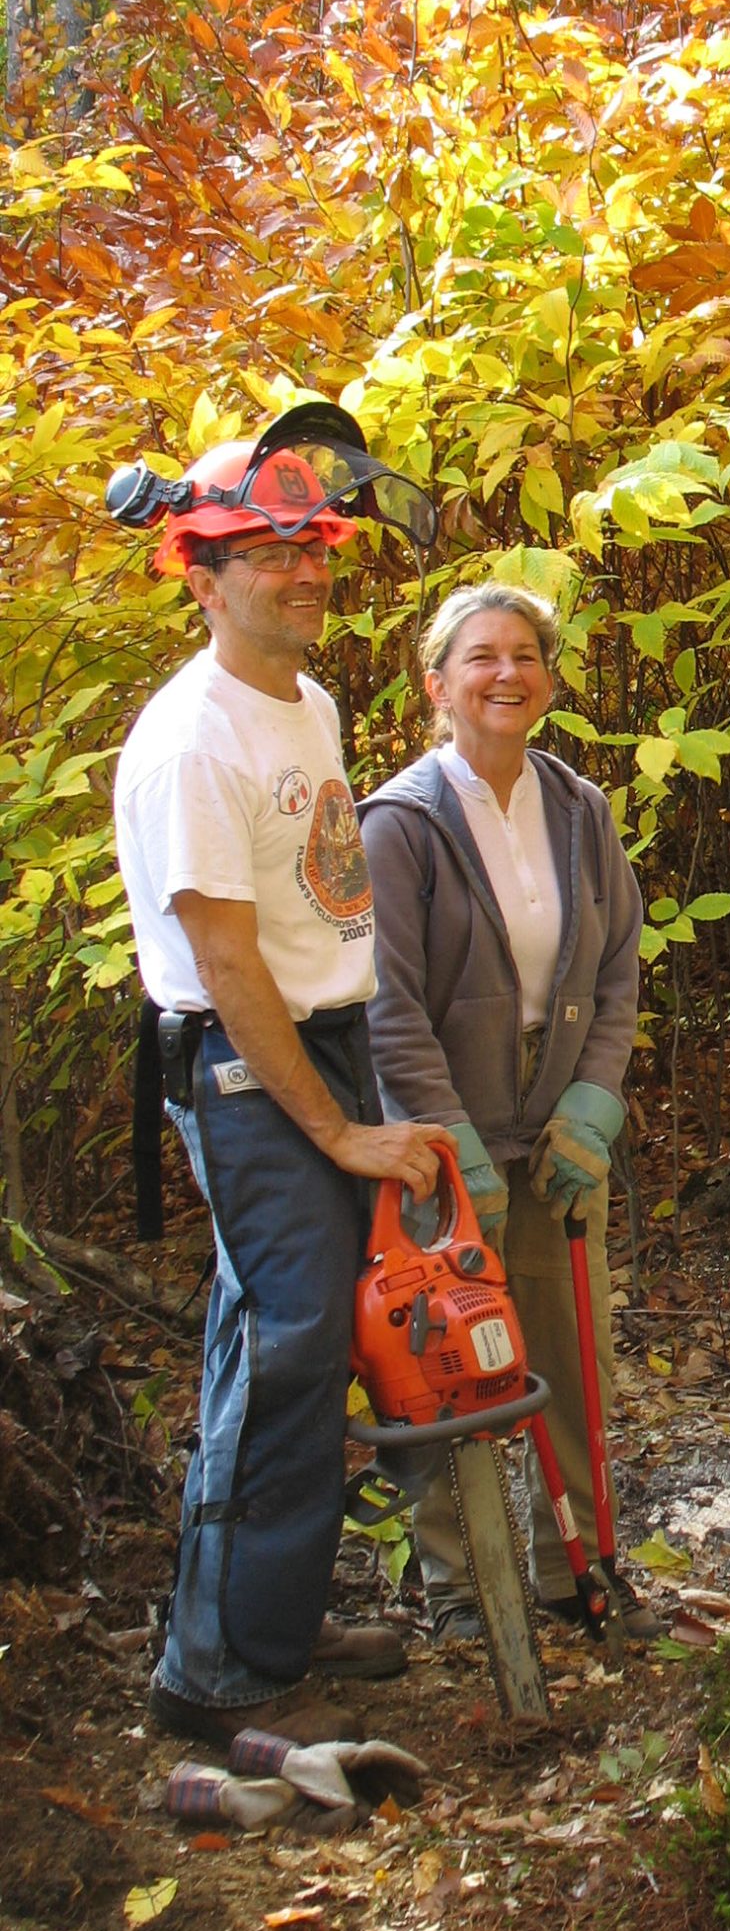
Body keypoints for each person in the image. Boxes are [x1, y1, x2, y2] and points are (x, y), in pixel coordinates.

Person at [111, 407, 449, 1749]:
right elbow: (231, 965)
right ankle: (213, 1672)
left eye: (316, 546)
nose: (307, 572)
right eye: (269, 554)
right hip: (254, 1072)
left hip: (324, 1043)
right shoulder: (193, 740)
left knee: (305, 1345)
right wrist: (344, 1135)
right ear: (200, 575)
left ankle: (274, 1617)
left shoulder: (305, 700)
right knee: (287, 1339)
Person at [359, 583, 651, 1639]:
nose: (506, 673)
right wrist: (452, 1145)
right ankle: (460, 1586)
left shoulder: (579, 807)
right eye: (480, 656)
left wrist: (595, 1099)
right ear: (437, 685)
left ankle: (577, 1570)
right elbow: (385, 1009)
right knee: (445, 1366)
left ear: (548, 677)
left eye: (525, 654)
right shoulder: (397, 825)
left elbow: (617, 965)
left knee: (572, 1355)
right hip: (445, 1153)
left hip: (557, 1136)